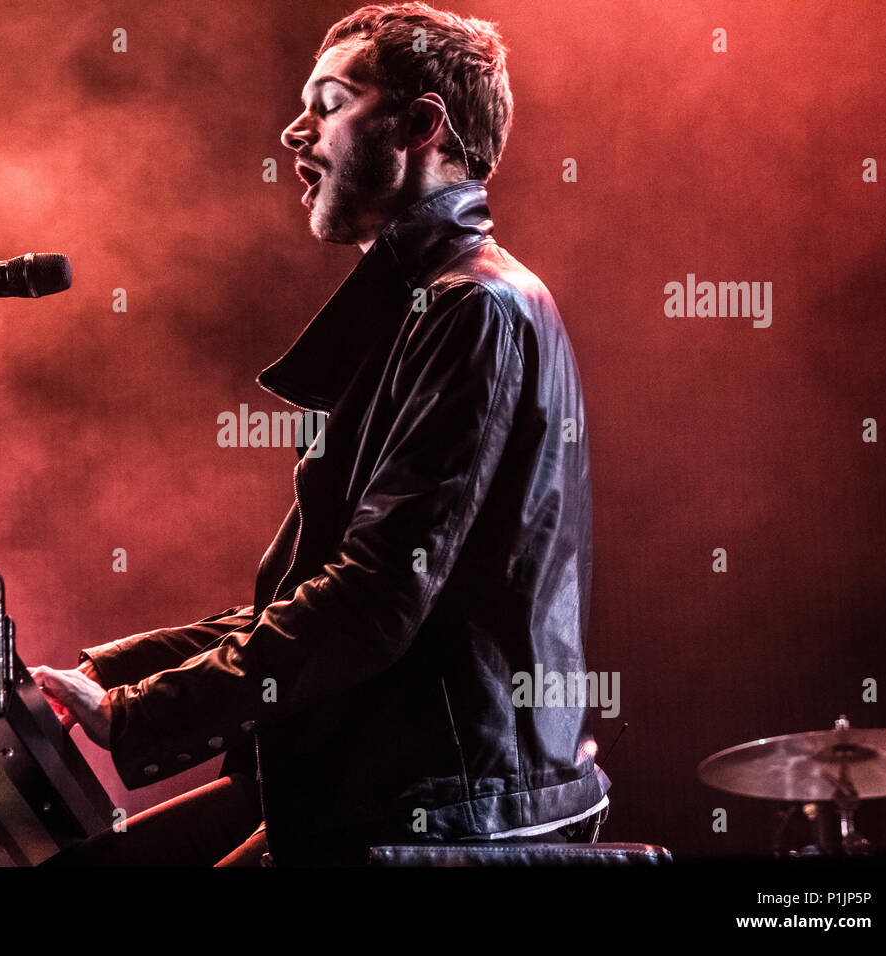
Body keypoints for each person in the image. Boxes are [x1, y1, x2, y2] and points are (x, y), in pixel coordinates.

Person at [30, 1, 610, 867]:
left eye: (330, 103)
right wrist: (108, 677)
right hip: (393, 789)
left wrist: (144, 711)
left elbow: (374, 599)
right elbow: (330, 590)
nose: (294, 131)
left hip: (443, 808)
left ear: (420, 125)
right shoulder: (433, 306)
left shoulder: (473, 309)